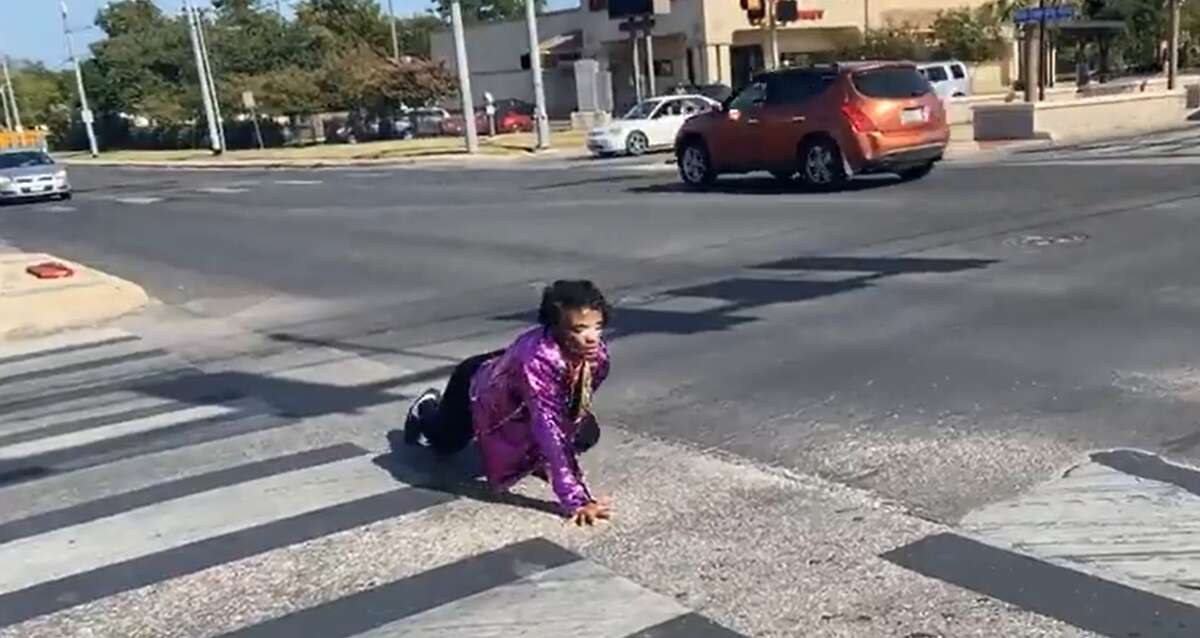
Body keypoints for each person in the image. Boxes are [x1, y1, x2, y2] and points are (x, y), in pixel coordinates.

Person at [401, 280, 613, 526]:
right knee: (445, 443)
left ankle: (531, 454)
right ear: (555, 327)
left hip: (515, 393)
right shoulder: (536, 361)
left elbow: (571, 406)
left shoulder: (595, 353)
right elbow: (549, 426)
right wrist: (577, 499)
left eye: (596, 326)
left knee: (586, 433)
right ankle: (424, 409)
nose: (591, 337)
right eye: (579, 329)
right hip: (476, 388)